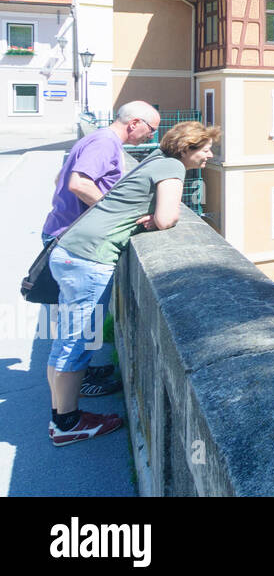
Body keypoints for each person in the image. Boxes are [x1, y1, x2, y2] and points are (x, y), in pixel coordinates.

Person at [46, 120, 219, 447]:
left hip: (71, 249)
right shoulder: (171, 166)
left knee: (66, 340)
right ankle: (66, 423)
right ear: (187, 149)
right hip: (89, 258)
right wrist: (155, 220)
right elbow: (168, 218)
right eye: (205, 148)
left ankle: (60, 413)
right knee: (75, 341)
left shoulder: (155, 158)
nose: (210, 154)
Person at [40, 100, 162, 398]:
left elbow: (59, 179)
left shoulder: (93, 138)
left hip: (61, 233)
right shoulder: (106, 142)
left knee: (72, 326)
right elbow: (78, 183)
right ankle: (69, 406)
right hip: (76, 244)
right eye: (151, 129)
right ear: (134, 123)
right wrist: (113, 215)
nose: (153, 136)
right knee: (76, 332)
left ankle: (78, 374)